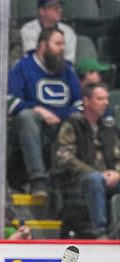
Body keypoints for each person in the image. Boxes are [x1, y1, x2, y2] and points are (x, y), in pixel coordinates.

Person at [8, 27, 81, 199]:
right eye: (57, 44)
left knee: (78, 120)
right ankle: (38, 180)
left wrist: (60, 116)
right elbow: (10, 102)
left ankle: (74, 181)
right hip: (31, 130)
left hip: (61, 127)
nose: (61, 48)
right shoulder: (23, 67)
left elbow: (79, 106)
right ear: (42, 44)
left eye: (63, 44)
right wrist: (38, 109)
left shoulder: (67, 71)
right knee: (27, 116)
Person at [52, 82, 120, 239]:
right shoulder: (72, 125)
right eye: (100, 98)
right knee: (95, 180)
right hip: (77, 181)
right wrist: (97, 173)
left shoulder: (109, 129)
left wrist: (117, 173)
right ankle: (100, 232)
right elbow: (65, 156)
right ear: (87, 101)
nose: (105, 103)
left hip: (109, 178)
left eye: (106, 99)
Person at [20, 0, 76, 64]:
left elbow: (68, 61)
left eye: (60, 7)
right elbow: (32, 57)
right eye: (55, 8)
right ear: (42, 11)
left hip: (60, 71)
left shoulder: (68, 31)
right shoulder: (29, 28)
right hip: (35, 71)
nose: (59, 11)